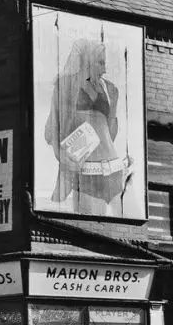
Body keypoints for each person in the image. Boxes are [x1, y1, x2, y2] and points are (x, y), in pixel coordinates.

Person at [44, 38, 133, 216]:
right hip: (83, 175)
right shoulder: (64, 86)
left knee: (120, 228)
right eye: (100, 63)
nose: (105, 69)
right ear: (86, 61)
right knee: (86, 230)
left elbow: (110, 132)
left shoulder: (111, 90)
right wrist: (66, 157)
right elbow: (52, 132)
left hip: (113, 171)